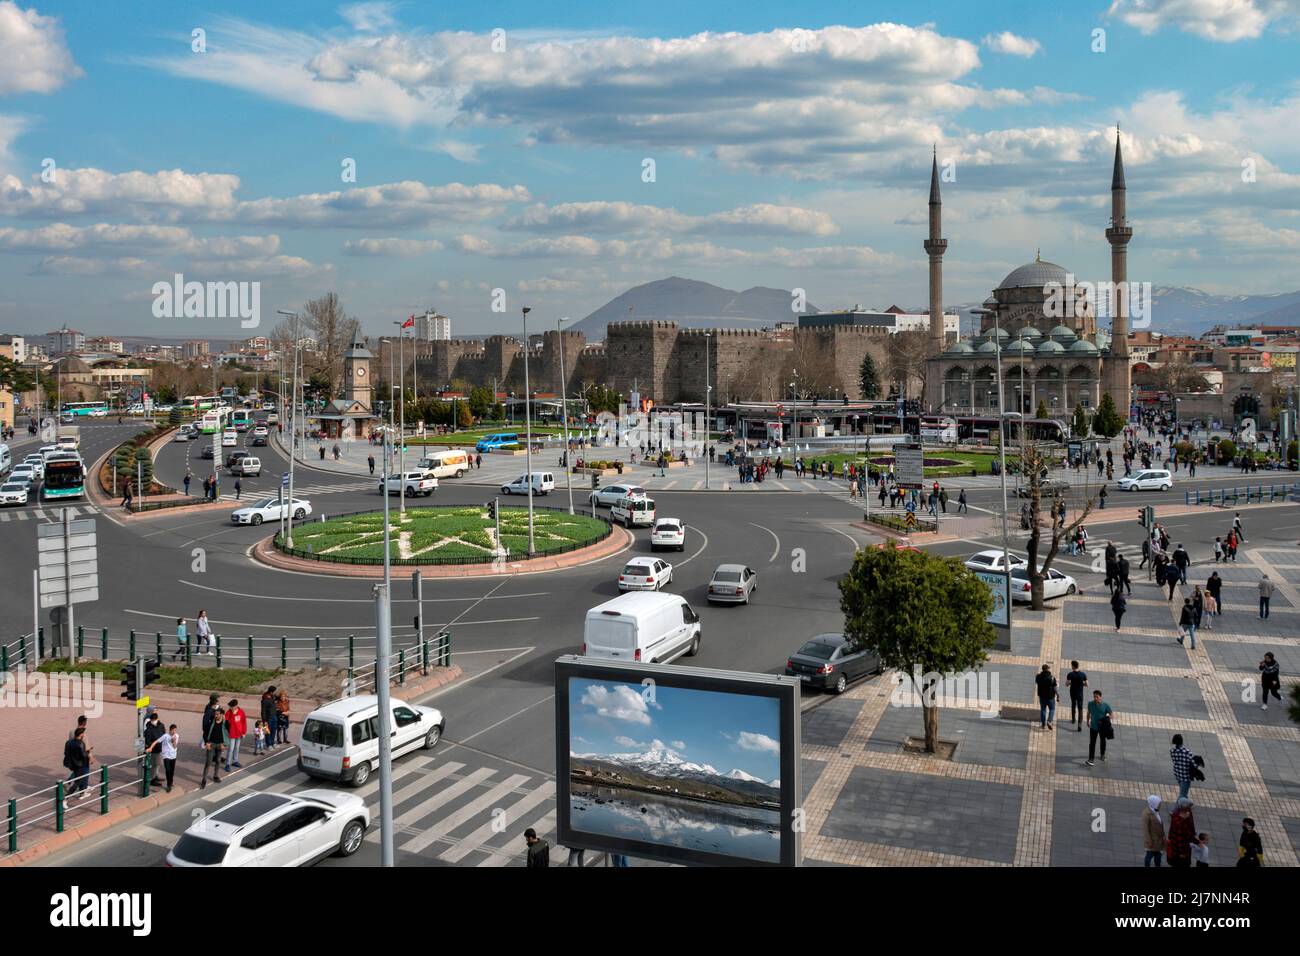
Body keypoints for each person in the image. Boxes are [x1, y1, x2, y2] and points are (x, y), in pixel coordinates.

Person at [62, 727, 93, 807]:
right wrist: (88, 755)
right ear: (81, 734)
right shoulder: (81, 744)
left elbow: (65, 752)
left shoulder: (68, 742)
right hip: (79, 765)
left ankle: (83, 790)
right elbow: (83, 755)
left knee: (77, 779)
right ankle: (65, 798)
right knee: (77, 782)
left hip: (72, 765)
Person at [200, 703, 227, 788]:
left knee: (218, 760)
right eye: (215, 714)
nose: (215, 716)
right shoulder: (211, 722)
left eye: (217, 714)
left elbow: (227, 734)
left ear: (221, 714)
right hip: (211, 744)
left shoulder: (225, 723)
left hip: (220, 745)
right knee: (208, 762)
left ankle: (215, 776)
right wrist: (207, 743)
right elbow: (204, 734)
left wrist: (224, 744)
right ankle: (204, 780)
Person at [1166, 798, 1197, 868]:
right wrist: (1182, 853)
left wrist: (1195, 839)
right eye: (1190, 807)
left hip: (1185, 847)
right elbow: (1179, 839)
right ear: (1185, 808)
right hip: (1180, 851)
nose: (1191, 809)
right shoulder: (1179, 822)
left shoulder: (1187, 814)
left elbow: (1191, 829)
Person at [1086, 690, 1113, 766]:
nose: (1095, 698)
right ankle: (1091, 759)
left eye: (1097, 697)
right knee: (1092, 743)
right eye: (1094, 697)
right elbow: (1088, 713)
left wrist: (1106, 719)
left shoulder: (1105, 705)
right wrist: (1088, 721)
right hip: (1093, 726)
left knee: (1103, 740)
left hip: (1102, 727)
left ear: (1100, 697)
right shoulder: (1090, 704)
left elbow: (1111, 714)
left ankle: (1102, 754)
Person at [142, 711, 166, 787]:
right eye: (153, 720)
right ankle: (152, 779)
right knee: (154, 765)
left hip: (160, 748)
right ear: (151, 720)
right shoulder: (148, 729)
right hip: (153, 750)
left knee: (158, 764)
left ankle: (156, 776)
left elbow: (164, 734)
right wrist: (151, 746)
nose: (154, 721)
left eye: (155, 719)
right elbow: (148, 740)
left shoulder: (161, 725)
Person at [224, 699, 248, 772]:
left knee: (237, 748)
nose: (230, 708)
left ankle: (235, 761)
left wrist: (244, 732)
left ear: (236, 706)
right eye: (230, 706)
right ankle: (227, 764)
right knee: (230, 749)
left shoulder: (241, 712)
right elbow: (228, 723)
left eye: (232, 706)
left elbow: (244, 722)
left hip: (239, 733)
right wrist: (233, 714)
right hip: (232, 734)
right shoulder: (228, 713)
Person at [1142, 795, 1165, 867]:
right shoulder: (1147, 814)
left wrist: (1163, 836)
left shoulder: (1155, 812)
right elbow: (1145, 829)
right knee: (1149, 856)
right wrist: (1149, 841)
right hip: (1153, 842)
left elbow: (1160, 825)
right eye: (1159, 804)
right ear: (1155, 804)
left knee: (1158, 857)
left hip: (1159, 841)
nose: (1160, 805)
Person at [1064, 661, 1088, 731]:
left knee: (1073, 704)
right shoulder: (1083, 674)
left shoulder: (1070, 674)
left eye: (1071, 665)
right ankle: (1079, 724)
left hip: (1073, 692)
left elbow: (1066, 684)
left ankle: (1073, 719)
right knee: (1080, 708)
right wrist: (1082, 684)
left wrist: (1071, 682)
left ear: (1073, 666)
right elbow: (1087, 684)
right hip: (1080, 693)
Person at [1171, 734, 1195, 801]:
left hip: (1178, 774)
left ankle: (1187, 803)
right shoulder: (1187, 752)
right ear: (1182, 741)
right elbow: (1193, 763)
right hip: (1186, 776)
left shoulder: (1172, 751)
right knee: (1182, 795)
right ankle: (1175, 810)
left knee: (1183, 791)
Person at [1035, 664, 1058, 730]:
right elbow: (1055, 688)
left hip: (1042, 696)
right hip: (1050, 697)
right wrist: (1057, 695)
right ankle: (1049, 721)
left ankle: (1043, 724)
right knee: (1052, 709)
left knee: (1043, 710)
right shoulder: (1052, 678)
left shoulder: (1038, 676)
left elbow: (1037, 682)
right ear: (1047, 669)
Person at [159, 724, 179, 793]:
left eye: (175, 730)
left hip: (173, 755)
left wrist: (174, 741)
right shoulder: (165, 736)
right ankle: (168, 785)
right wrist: (151, 747)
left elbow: (175, 747)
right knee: (168, 770)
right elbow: (158, 741)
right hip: (166, 756)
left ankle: (171, 781)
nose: (174, 732)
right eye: (173, 730)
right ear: (170, 730)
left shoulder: (176, 736)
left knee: (172, 770)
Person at [260, 687, 278, 751]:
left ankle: (272, 743)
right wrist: (264, 720)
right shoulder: (265, 699)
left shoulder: (273, 696)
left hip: (274, 716)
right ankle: (268, 745)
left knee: (273, 730)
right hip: (268, 718)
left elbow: (277, 698)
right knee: (267, 732)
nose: (275, 693)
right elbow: (263, 710)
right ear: (271, 692)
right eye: (274, 691)